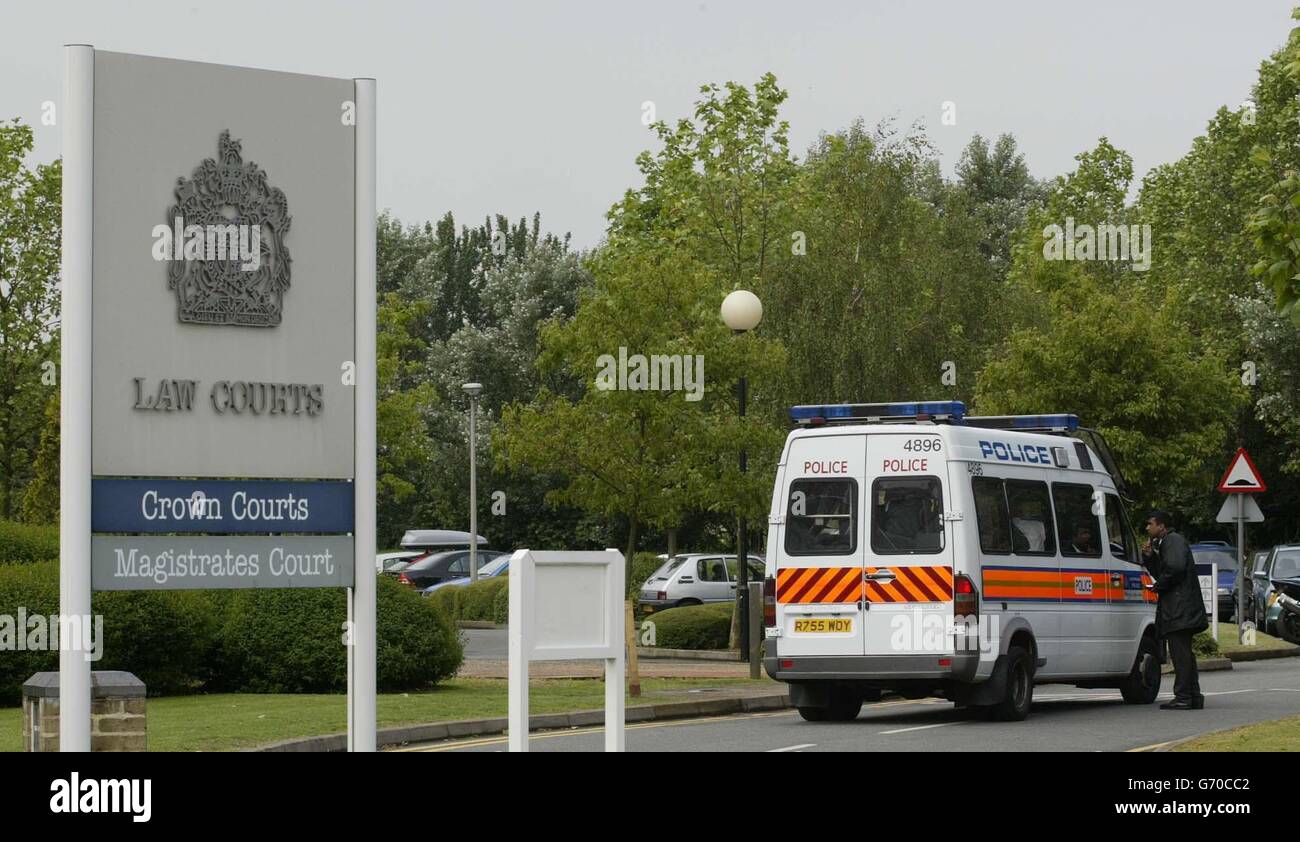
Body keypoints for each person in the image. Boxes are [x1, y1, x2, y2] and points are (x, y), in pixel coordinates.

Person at [1141, 510, 1209, 710]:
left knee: (1180, 655)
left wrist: (1159, 585)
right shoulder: (1167, 543)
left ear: (1161, 526)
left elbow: (1175, 569)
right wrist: (1151, 558)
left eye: (1150, 524)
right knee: (1185, 654)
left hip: (1180, 609)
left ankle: (1183, 697)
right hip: (1182, 607)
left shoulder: (1172, 541)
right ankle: (1193, 695)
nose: (1147, 528)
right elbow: (1167, 569)